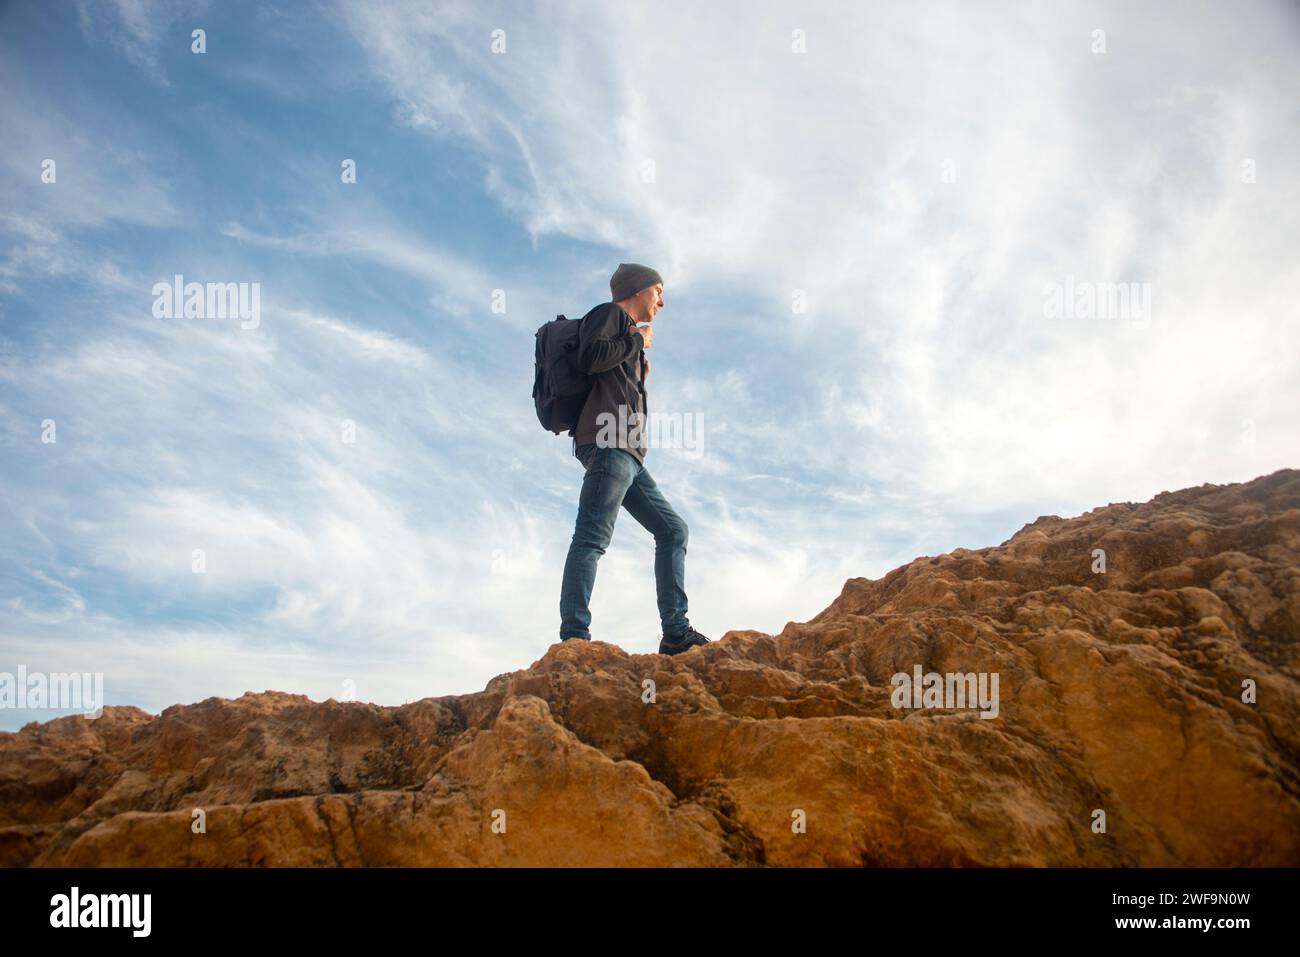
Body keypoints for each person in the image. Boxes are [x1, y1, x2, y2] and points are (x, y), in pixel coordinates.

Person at [557, 263, 711, 655]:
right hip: (609, 445)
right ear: (639, 290)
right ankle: (574, 639)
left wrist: (638, 366)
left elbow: (604, 372)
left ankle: (676, 632)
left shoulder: (625, 335)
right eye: (658, 290)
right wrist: (637, 344)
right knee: (592, 538)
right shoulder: (609, 315)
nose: (663, 299)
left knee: (673, 530)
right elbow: (591, 357)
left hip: (626, 452)